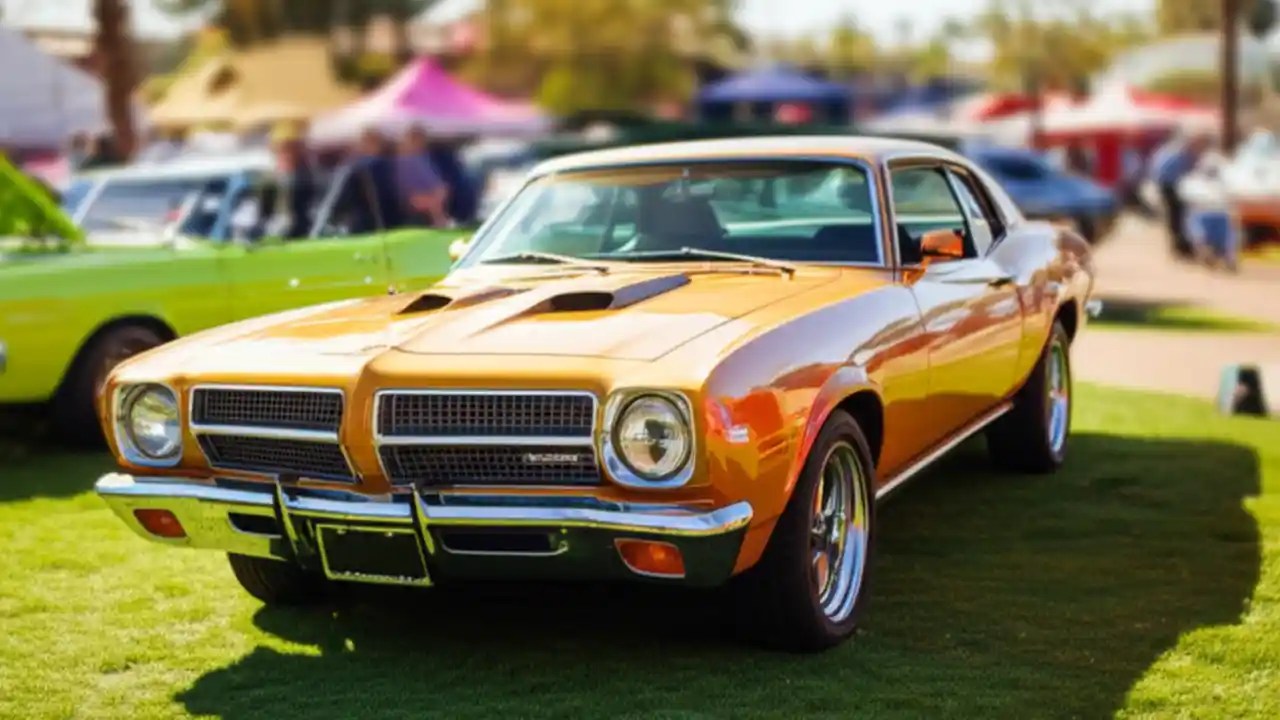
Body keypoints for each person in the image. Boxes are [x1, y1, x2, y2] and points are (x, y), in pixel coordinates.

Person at [1150, 131, 1211, 259]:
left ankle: (1181, 246)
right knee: (1178, 215)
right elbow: (1188, 170)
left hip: (1170, 185)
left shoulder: (1175, 150)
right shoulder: (1181, 152)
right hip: (1171, 186)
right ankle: (1181, 246)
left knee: (1177, 216)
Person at [269, 122, 315, 239]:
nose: (285, 155)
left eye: (288, 149)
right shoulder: (275, 178)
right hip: (280, 228)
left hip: (299, 229)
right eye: (281, 150)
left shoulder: (305, 176)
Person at [395, 126, 448, 226]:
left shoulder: (423, 158)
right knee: (429, 200)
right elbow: (406, 187)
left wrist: (438, 191)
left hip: (431, 196)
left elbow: (434, 180)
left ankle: (441, 220)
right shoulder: (404, 161)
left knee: (439, 193)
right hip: (414, 199)